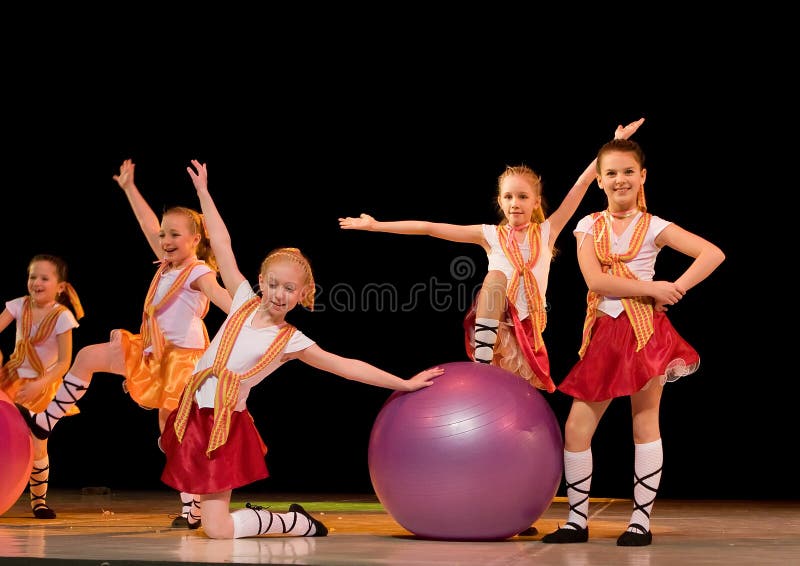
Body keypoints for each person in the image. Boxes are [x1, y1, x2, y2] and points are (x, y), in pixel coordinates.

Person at [21, 159, 444, 540]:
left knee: (218, 530)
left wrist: (403, 382)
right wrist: (204, 193)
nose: (279, 294)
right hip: (191, 413)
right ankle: (267, 519)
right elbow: (221, 243)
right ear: (260, 281)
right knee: (210, 523)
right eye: (273, 284)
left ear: (302, 294)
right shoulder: (242, 299)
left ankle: (293, 522)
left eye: (289, 289)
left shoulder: (290, 340)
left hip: (222, 427)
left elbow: (345, 366)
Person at [338, 118, 645, 396]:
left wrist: (613, 144)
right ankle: (482, 364)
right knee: (496, 277)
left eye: (523, 197)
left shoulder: (547, 232)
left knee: (513, 403)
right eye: (509, 197)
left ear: (536, 201)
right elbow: (430, 228)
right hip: (494, 327)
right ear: (500, 200)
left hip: (528, 332)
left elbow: (581, 185)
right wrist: (376, 225)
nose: (515, 203)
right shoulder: (489, 234)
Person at [17, 159, 232, 528]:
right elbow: (150, 225)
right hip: (152, 352)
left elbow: (221, 296)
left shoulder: (199, 271)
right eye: (164, 236)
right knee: (87, 357)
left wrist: (246, 313)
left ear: (195, 239)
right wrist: (130, 188)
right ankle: (44, 422)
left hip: (183, 362)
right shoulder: (167, 264)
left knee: (172, 433)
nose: (165, 241)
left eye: (174, 236)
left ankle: (192, 509)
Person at [540, 138, 725, 547]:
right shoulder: (589, 226)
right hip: (604, 332)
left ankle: (640, 521)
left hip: (644, 333)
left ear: (642, 176)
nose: (619, 179)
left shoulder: (656, 226)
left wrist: (675, 288)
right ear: (600, 181)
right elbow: (596, 281)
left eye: (628, 172)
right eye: (610, 173)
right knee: (576, 428)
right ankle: (576, 520)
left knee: (644, 424)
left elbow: (712, 253)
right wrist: (654, 287)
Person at [0, 254, 84, 519]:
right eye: (32, 276)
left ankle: (38, 501)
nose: (36, 282)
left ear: (60, 286)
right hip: (11, 381)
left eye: (44, 278)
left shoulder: (62, 317)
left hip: (42, 386)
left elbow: (63, 363)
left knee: (37, 445)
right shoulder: (18, 306)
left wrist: (41, 384)